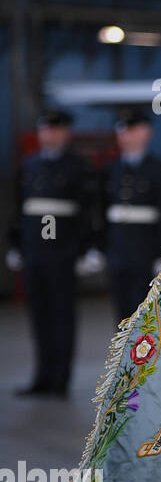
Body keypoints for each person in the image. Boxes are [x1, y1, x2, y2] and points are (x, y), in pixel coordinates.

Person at [6, 110, 102, 397]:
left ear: (66, 132)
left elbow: (88, 212)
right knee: (39, 316)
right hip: (35, 251)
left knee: (62, 316)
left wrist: (88, 248)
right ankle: (42, 376)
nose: (50, 134)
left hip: (63, 252)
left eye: (56, 129)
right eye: (46, 129)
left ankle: (60, 379)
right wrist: (15, 244)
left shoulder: (78, 167)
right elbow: (19, 209)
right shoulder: (30, 166)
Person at [103, 109, 161, 322]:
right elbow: (101, 211)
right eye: (123, 131)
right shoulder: (111, 169)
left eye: (132, 130)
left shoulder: (157, 169)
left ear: (145, 133)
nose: (126, 136)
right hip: (118, 251)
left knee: (143, 315)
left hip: (145, 251)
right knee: (121, 314)